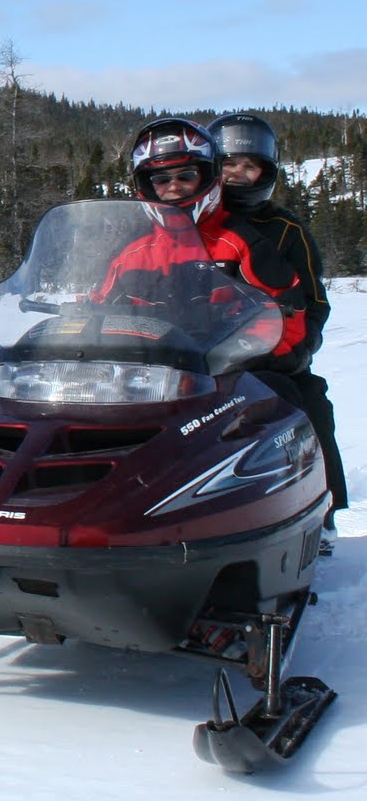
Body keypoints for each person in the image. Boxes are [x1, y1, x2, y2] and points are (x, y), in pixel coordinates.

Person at [210, 112, 347, 529]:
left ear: (265, 172)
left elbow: (314, 300)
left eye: (248, 166)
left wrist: (299, 350)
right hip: (196, 351)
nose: (237, 174)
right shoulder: (190, 221)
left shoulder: (286, 230)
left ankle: (321, 508)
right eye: (228, 165)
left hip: (268, 351)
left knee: (309, 404)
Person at [93, 118, 309, 372]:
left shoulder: (240, 243)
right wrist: (77, 323)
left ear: (206, 176)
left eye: (186, 176)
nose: (174, 187)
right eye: (161, 180)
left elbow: (287, 315)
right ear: (146, 186)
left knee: (288, 398)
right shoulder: (132, 252)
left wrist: (242, 354)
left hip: (225, 375)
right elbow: (99, 309)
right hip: (147, 374)